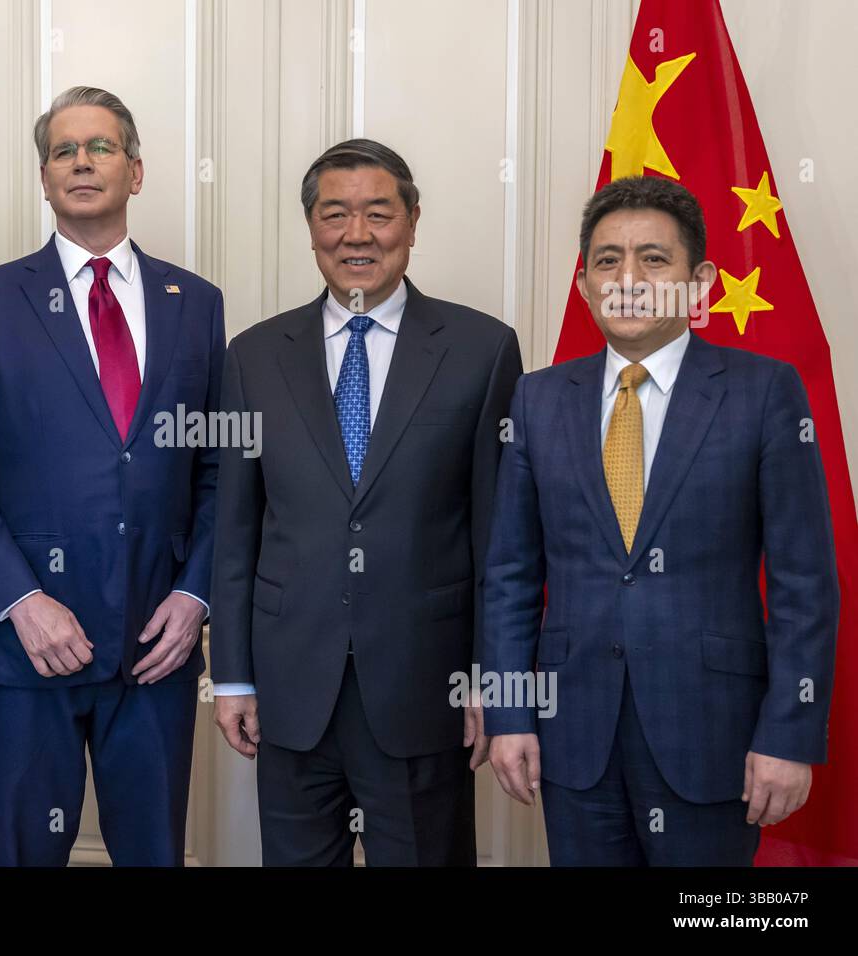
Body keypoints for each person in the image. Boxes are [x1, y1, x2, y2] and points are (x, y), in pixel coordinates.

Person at [484, 175, 839, 865]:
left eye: (654, 258)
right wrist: (507, 713)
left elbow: (806, 584)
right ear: (584, 282)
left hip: (715, 736)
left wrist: (789, 735)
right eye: (608, 260)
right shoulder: (537, 399)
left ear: (699, 279)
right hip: (572, 736)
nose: (629, 278)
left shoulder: (764, 392)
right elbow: (509, 577)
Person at [0, 86, 225, 866]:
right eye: (64, 150)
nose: (82, 162)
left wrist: (195, 598)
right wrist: (21, 603)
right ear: (46, 176)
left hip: (157, 648)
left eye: (101, 147)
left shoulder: (196, 304)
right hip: (25, 652)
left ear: (137, 170)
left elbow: (222, 470)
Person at [210, 139, 522, 865]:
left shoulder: (482, 349)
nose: (357, 235)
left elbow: (500, 538)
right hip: (292, 690)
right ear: (311, 227)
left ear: (413, 222)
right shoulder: (254, 355)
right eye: (335, 215)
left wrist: (492, 680)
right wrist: (230, 675)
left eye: (378, 214)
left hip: (427, 687)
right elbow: (236, 530)